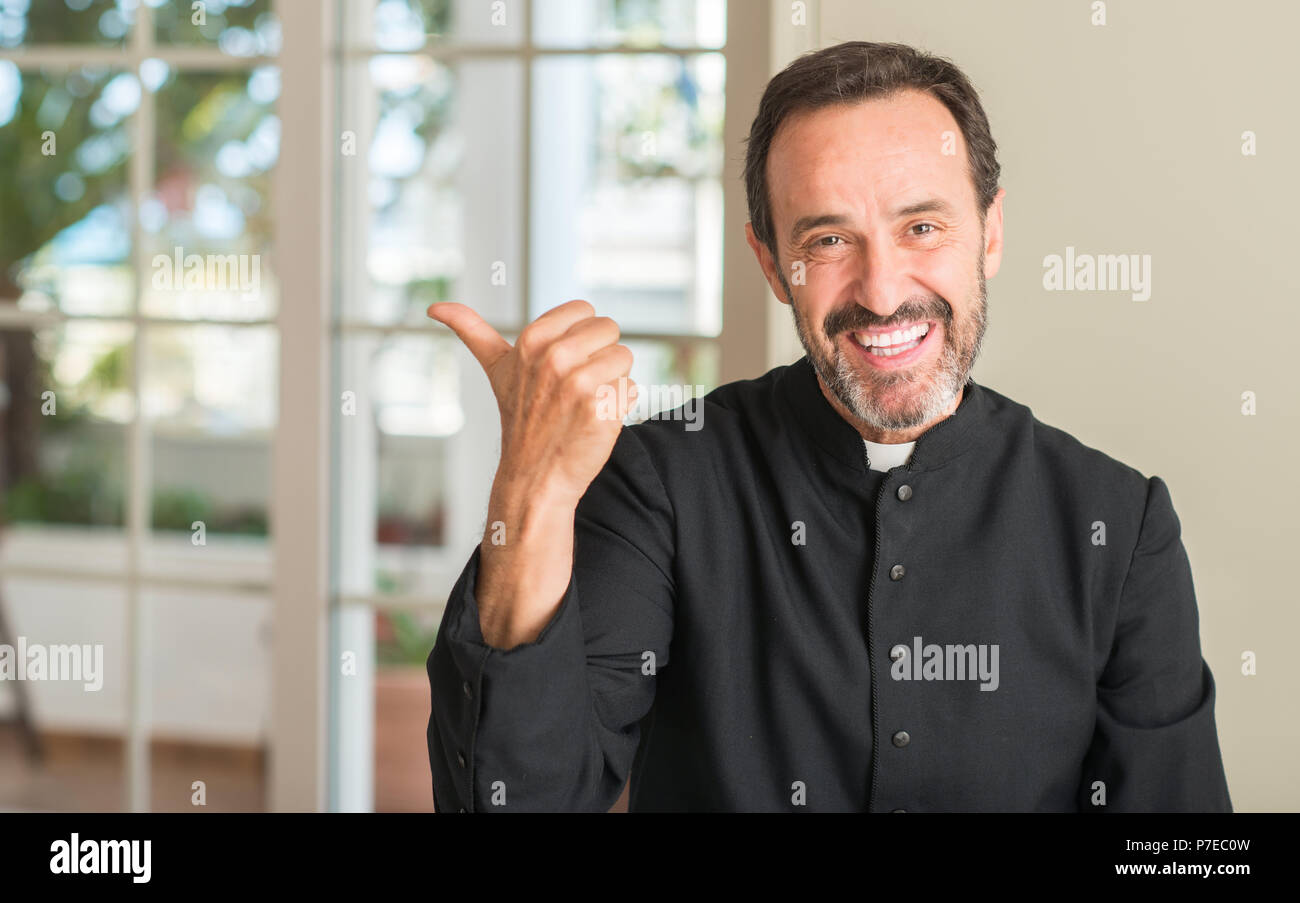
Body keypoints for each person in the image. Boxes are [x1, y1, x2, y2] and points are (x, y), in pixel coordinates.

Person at [424, 41, 1232, 812]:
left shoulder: (1119, 527)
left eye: (922, 227)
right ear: (773, 263)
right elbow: (522, 798)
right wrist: (530, 490)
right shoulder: (659, 483)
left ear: (989, 232)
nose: (881, 292)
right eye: (829, 239)